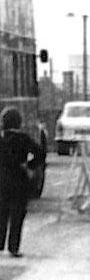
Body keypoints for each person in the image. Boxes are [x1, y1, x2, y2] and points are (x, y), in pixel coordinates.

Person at [0, 106, 40, 258]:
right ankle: (13, 247)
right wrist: (29, 165)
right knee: (17, 214)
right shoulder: (24, 138)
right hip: (19, 179)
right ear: (19, 122)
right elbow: (40, 153)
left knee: (2, 212)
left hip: (2, 179)